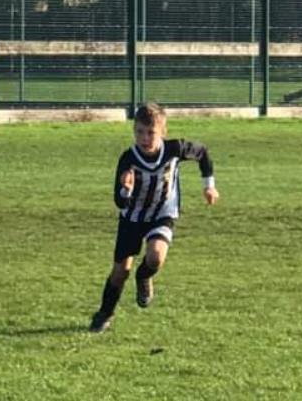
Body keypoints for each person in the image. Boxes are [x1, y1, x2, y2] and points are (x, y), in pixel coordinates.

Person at [89, 102, 218, 333]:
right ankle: (104, 314)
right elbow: (119, 203)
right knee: (120, 271)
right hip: (132, 218)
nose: (145, 138)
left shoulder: (175, 148)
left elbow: (203, 153)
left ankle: (144, 276)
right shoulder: (128, 158)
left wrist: (209, 186)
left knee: (156, 256)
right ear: (133, 131)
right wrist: (125, 190)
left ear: (163, 132)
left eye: (151, 132)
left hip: (162, 213)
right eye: (140, 131)